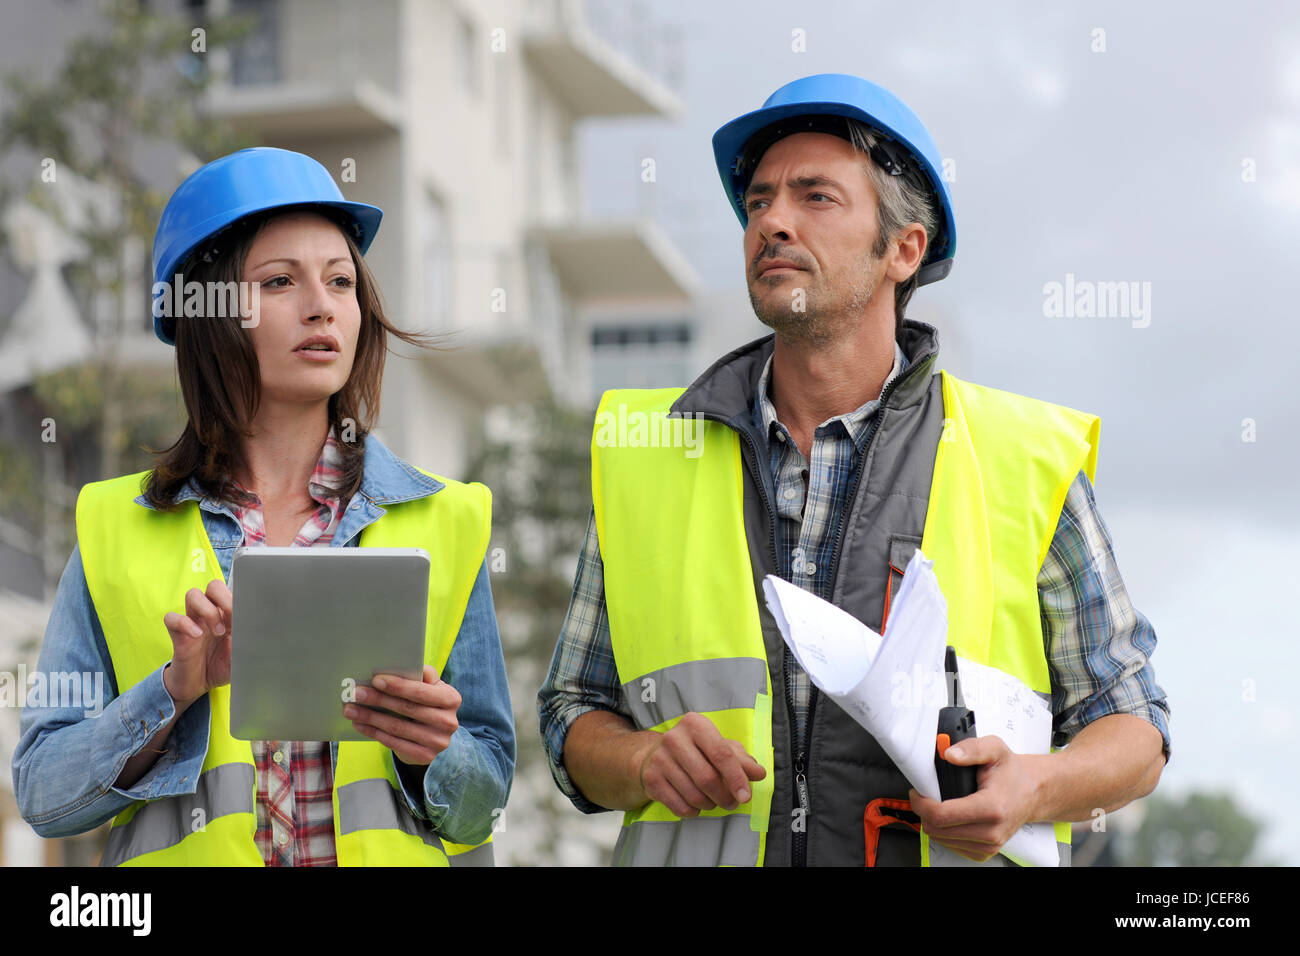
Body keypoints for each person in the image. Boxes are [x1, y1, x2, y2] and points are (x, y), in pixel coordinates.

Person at [537, 74, 1170, 866]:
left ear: (904, 249)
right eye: (760, 200)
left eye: (815, 197)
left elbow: (1134, 721)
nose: (771, 221)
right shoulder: (650, 455)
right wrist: (638, 761)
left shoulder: (1024, 458)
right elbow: (572, 710)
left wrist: (1036, 788)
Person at [12, 147, 514, 866]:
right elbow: (42, 793)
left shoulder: (448, 521)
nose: (322, 305)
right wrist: (174, 690)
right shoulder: (113, 527)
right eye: (280, 281)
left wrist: (434, 750)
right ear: (205, 312)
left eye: (341, 281)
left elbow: (485, 802)